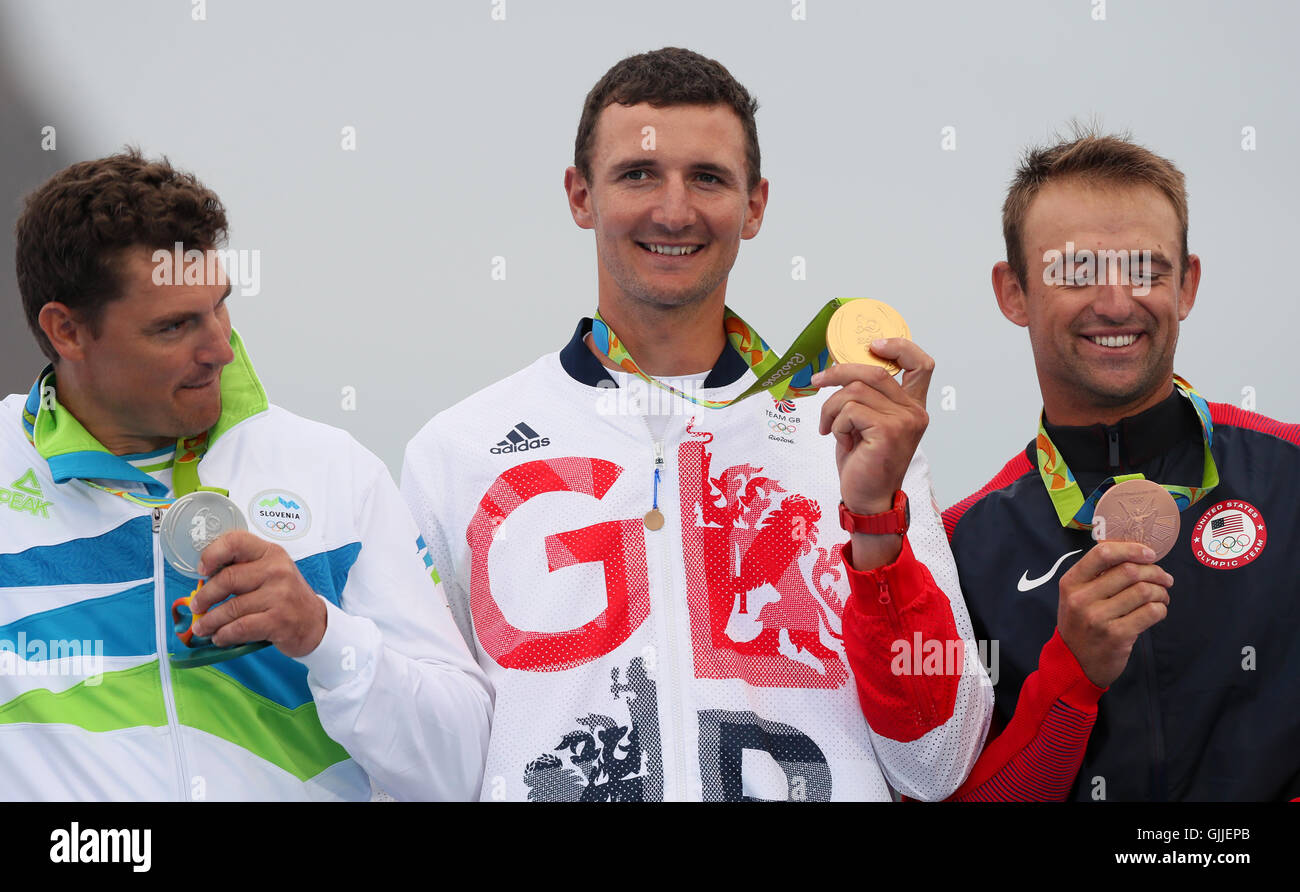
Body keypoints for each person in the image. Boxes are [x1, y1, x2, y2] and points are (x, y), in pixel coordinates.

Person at [401, 47, 991, 802]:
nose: (673, 211)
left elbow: (938, 767)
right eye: (638, 174)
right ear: (580, 196)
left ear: (755, 205)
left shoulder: (854, 436)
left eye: (707, 178)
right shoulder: (457, 451)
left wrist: (876, 525)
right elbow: (423, 758)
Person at [0, 150, 492, 800]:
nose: (221, 349)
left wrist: (321, 634)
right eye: (174, 326)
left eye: (219, 306)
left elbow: (464, 772)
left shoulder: (332, 472)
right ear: (66, 330)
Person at [938, 130, 1300, 800]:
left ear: (1186, 284)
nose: (1114, 303)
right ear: (1013, 291)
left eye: (1145, 270)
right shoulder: (957, 550)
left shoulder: (1291, 476)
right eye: (1074, 273)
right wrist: (1071, 674)